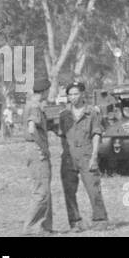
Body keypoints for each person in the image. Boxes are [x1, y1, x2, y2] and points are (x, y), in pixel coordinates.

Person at [58, 82, 109, 231]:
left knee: (93, 188)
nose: (73, 97)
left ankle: (100, 219)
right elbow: (62, 136)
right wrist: (66, 153)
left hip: (86, 154)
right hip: (69, 157)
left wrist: (94, 156)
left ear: (82, 94)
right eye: (70, 94)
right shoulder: (64, 115)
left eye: (76, 93)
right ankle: (75, 221)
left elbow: (96, 134)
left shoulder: (91, 112)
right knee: (69, 190)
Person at [22, 79, 54, 235]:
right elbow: (32, 129)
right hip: (36, 149)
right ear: (45, 91)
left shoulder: (31, 105)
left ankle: (44, 227)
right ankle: (31, 228)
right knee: (41, 192)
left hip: (33, 148)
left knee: (44, 189)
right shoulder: (34, 107)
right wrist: (42, 148)